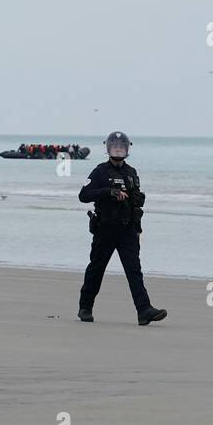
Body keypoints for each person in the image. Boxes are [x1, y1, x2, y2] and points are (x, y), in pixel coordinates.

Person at [77, 131, 166, 325]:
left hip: (127, 230)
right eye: (115, 147)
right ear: (108, 149)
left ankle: (144, 311)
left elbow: (136, 204)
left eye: (121, 147)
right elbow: (83, 195)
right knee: (96, 269)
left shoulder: (131, 172)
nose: (118, 150)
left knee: (134, 270)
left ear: (127, 150)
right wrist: (109, 192)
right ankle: (85, 307)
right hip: (105, 229)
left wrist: (138, 229)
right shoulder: (100, 171)